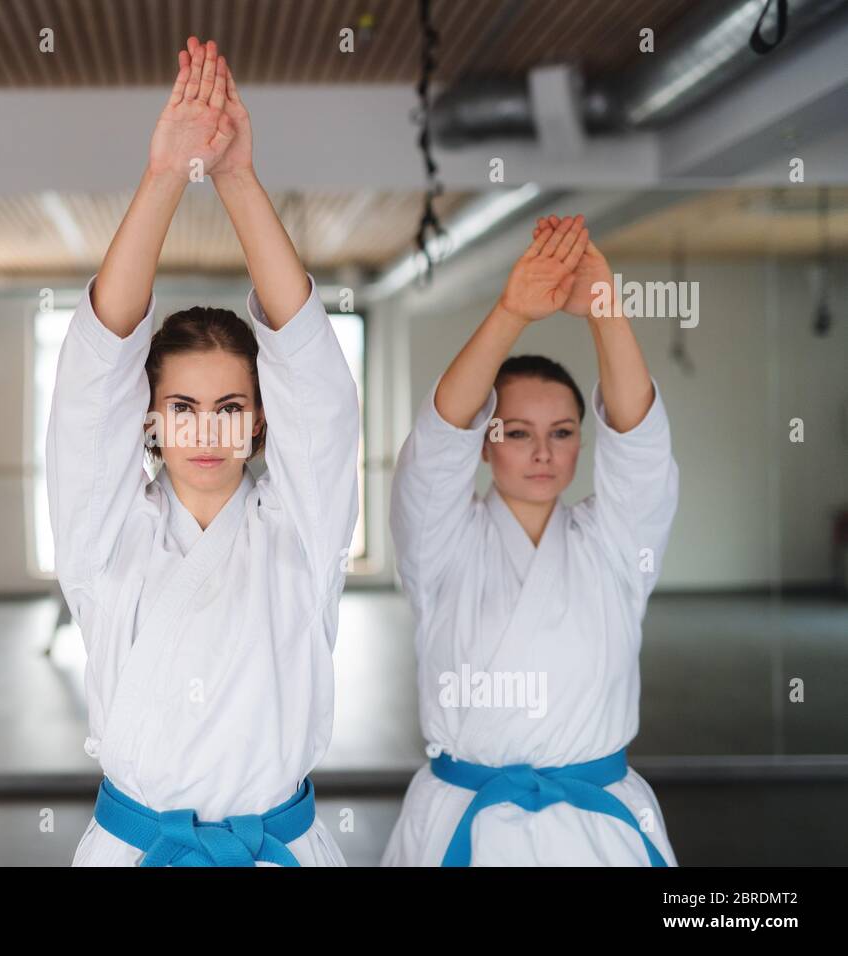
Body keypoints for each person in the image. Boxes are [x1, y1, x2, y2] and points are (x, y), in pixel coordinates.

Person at [47, 37, 360, 866]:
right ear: (146, 419)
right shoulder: (107, 533)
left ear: (262, 421)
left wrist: (234, 179)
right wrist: (162, 178)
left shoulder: (303, 529)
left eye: (232, 407)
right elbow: (90, 383)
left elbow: (318, 389)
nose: (208, 430)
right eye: (181, 407)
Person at [381, 214, 680, 867]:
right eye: (516, 432)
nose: (542, 452)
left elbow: (642, 454)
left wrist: (604, 305)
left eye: (563, 432)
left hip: (598, 829)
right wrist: (512, 311)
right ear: (485, 445)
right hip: (468, 820)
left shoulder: (617, 545)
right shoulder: (441, 544)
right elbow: (434, 450)